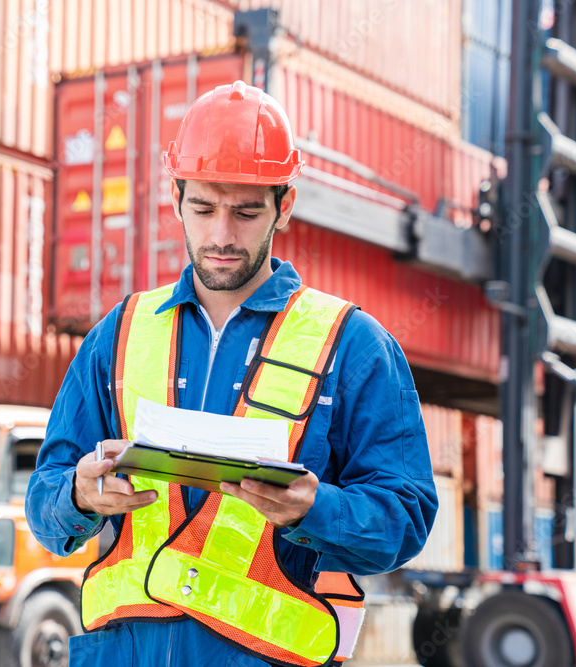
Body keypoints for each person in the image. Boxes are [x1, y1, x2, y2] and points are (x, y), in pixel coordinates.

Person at [26, 80, 437, 667]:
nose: (221, 235)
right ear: (176, 198)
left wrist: (314, 512)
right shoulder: (119, 335)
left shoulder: (352, 346)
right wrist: (77, 494)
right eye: (203, 208)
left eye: (246, 212)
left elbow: (406, 519)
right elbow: (45, 500)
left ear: (284, 205)